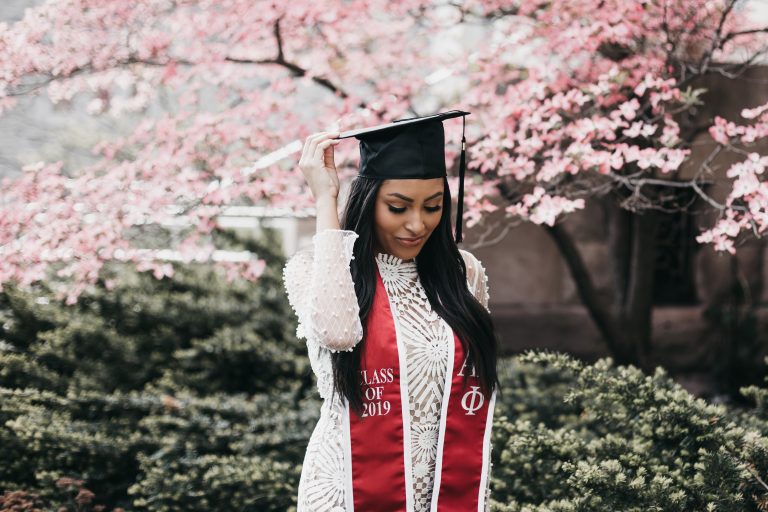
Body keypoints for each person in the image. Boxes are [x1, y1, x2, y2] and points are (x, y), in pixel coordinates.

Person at [282, 111, 500, 512]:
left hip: (442, 493)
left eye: (433, 207)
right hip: (347, 491)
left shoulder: (462, 274)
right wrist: (324, 199)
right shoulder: (317, 270)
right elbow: (338, 334)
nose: (417, 224)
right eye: (398, 208)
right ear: (369, 201)